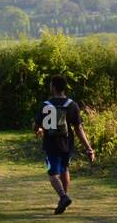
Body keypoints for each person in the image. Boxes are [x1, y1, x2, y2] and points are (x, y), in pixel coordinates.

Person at [33, 75, 95, 214]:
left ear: (54, 87)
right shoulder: (72, 105)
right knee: (65, 169)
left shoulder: (46, 105)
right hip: (67, 143)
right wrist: (88, 148)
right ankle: (63, 199)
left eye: (50, 85)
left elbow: (37, 125)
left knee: (52, 174)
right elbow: (78, 129)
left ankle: (63, 197)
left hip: (51, 144)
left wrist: (38, 130)